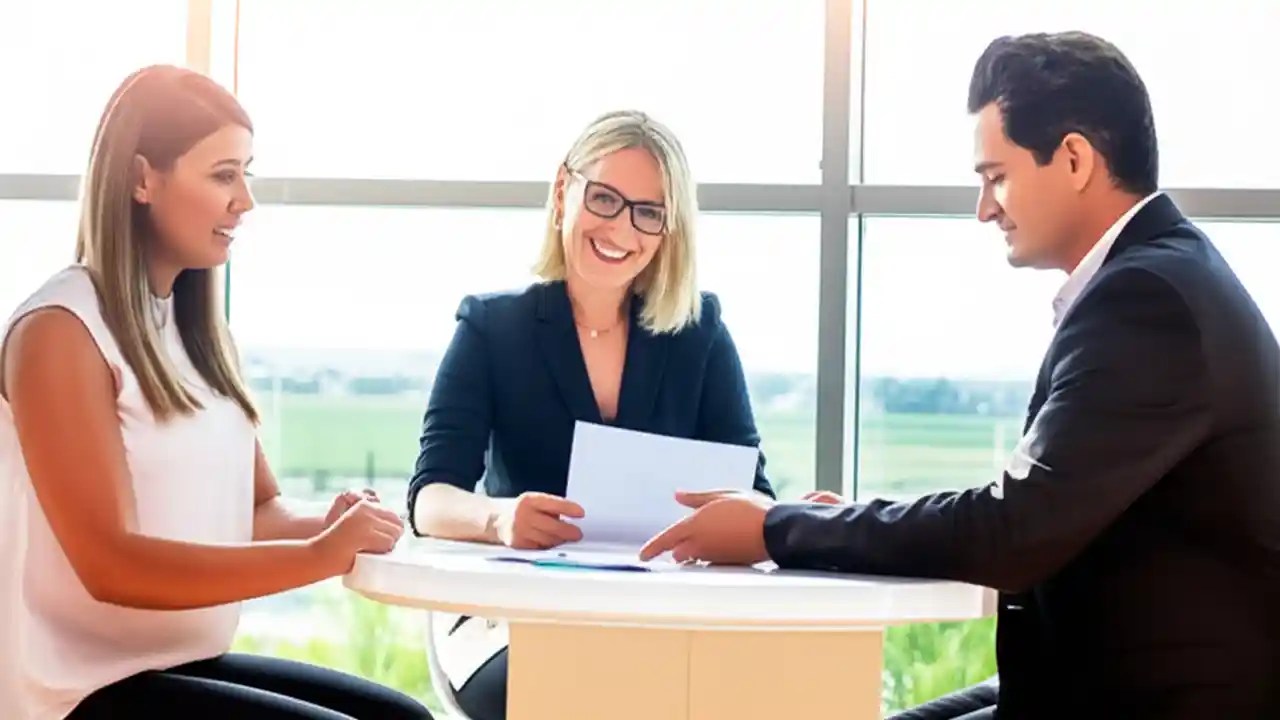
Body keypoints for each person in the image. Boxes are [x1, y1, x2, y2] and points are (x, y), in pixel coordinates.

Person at [638, 31, 1280, 719]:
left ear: (1073, 159)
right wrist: (843, 517)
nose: (985, 207)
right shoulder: (1166, 277)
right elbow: (1029, 509)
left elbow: (1012, 531)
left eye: (995, 175)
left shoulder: (1148, 301)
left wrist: (776, 529)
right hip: (1089, 684)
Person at [0, 65, 431, 720]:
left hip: (167, 667)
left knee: (403, 717)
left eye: (246, 173)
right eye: (223, 174)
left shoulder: (189, 329)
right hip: (78, 693)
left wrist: (334, 522)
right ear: (143, 178)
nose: (245, 201)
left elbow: (253, 514)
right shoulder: (61, 331)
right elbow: (109, 565)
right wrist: (318, 556)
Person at [408, 109, 776, 720]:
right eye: (604, 198)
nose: (620, 227)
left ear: (667, 231)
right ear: (563, 191)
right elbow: (429, 499)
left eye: (647, 212)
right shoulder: (491, 328)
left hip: (662, 615)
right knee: (601, 686)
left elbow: (750, 492)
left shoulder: (700, 333)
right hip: (511, 618)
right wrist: (498, 518)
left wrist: (784, 516)